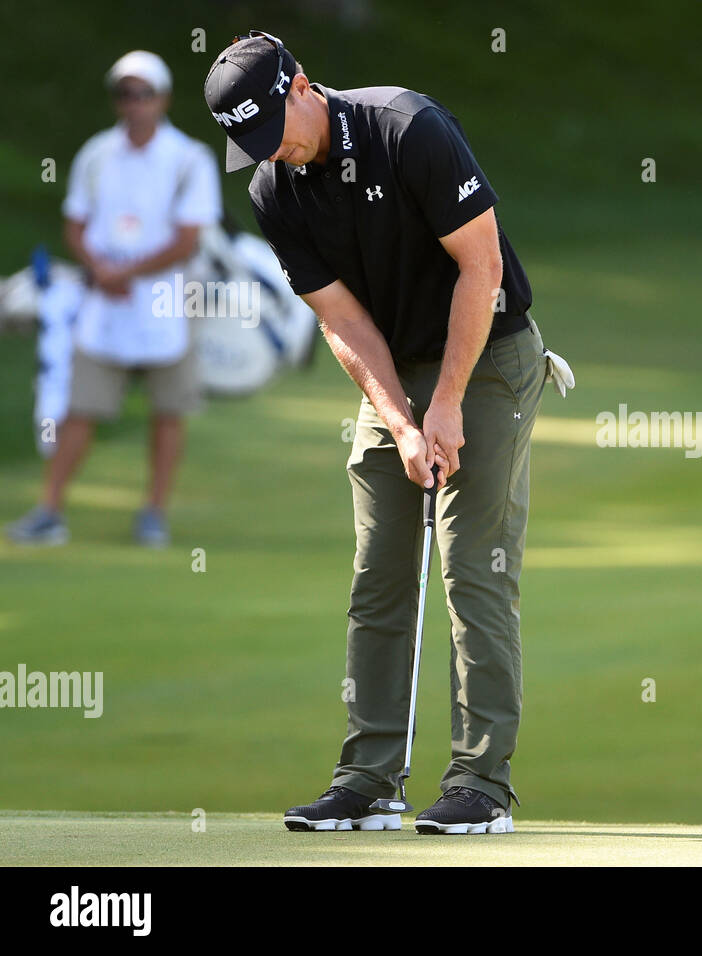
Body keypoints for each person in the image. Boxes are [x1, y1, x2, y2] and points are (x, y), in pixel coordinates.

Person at [204, 31, 570, 834]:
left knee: (471, 566)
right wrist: (402, 422)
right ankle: (369, 779)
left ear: (303, 85)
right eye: (255, 146)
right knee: (377, 573)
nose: (277, 155)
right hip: (393, 365)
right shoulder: (274, 188)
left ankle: (480, 783)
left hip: (489, 352)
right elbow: (339, 318)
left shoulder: (409, 130)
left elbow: (484, 270)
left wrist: (444, 404)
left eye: (276, 131)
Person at [6, 51, 221, 547]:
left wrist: (124, 270)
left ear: (162, 98)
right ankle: (49, 509)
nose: (133, 103)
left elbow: (187, 238)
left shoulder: (188, 158)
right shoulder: (97, 153)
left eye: (143, 93)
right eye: (125, 93)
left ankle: (154, 513)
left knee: (168, 410)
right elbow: (76, 224)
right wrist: (103, 270)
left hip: (167, 300)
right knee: (81, 407)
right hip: (105, 298)